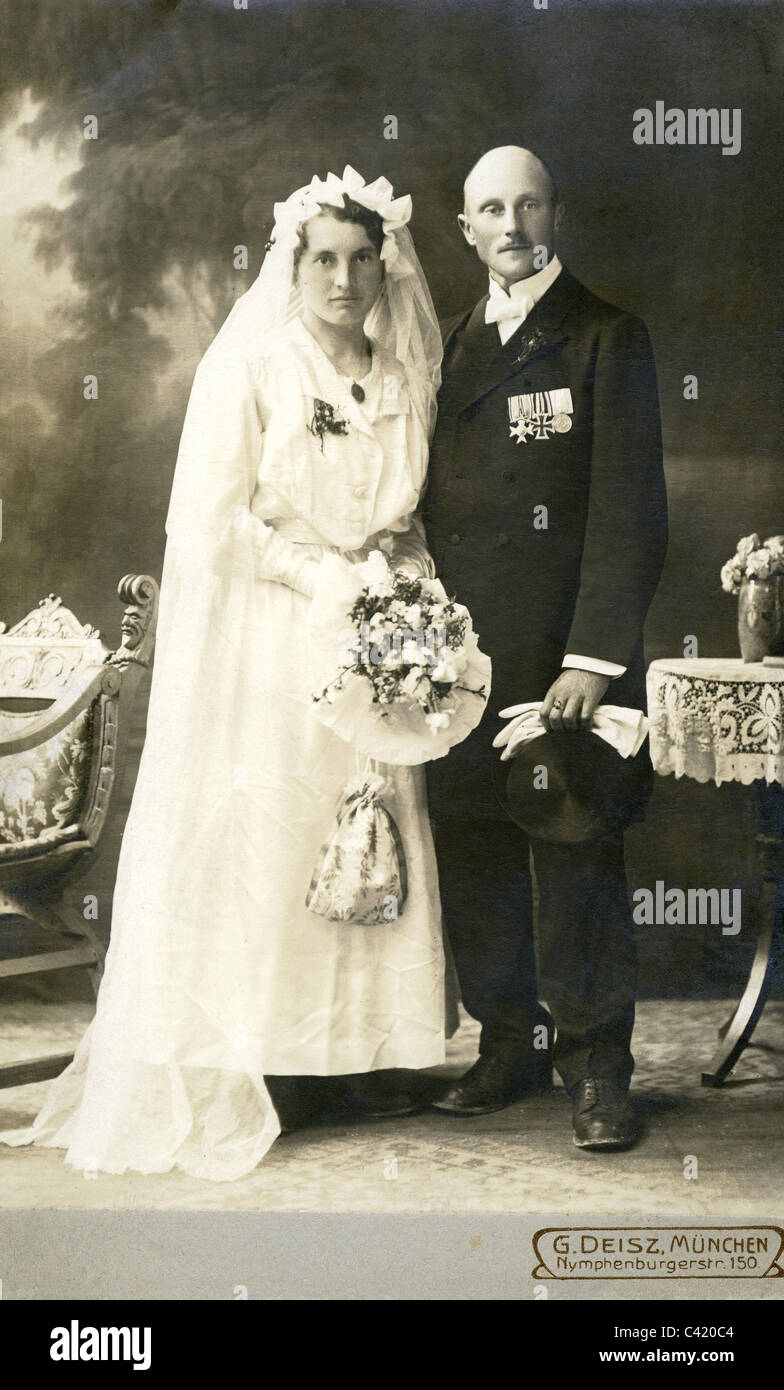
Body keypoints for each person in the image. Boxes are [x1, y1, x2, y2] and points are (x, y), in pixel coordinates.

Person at [2, 166, 452, 1182]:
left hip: (371, 636)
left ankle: (355, 1055)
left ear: (384, 269)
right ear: (293, 266)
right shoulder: (257, 364)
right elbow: (217, 518)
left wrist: (404, 596)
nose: (343, 280)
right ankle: (263, 1059)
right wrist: (320, 577)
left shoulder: (397, 374)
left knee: (365, 828)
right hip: (272, 636)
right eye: (323, 261)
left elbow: (408, 516)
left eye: (360, 261)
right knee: (277, 836)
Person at [423, 145, 668, 1150]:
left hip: (565, 658)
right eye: (492, 208)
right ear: (466, 229)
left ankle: (598, 1065)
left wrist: (592, 658)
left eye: (528, 203)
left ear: (554, 212)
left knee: (571, 844)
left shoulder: (606, 337)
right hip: (461, 657)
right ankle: (504, 1039)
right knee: (474, 838)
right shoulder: (445, 347)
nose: (512, 224)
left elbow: (629, 513)